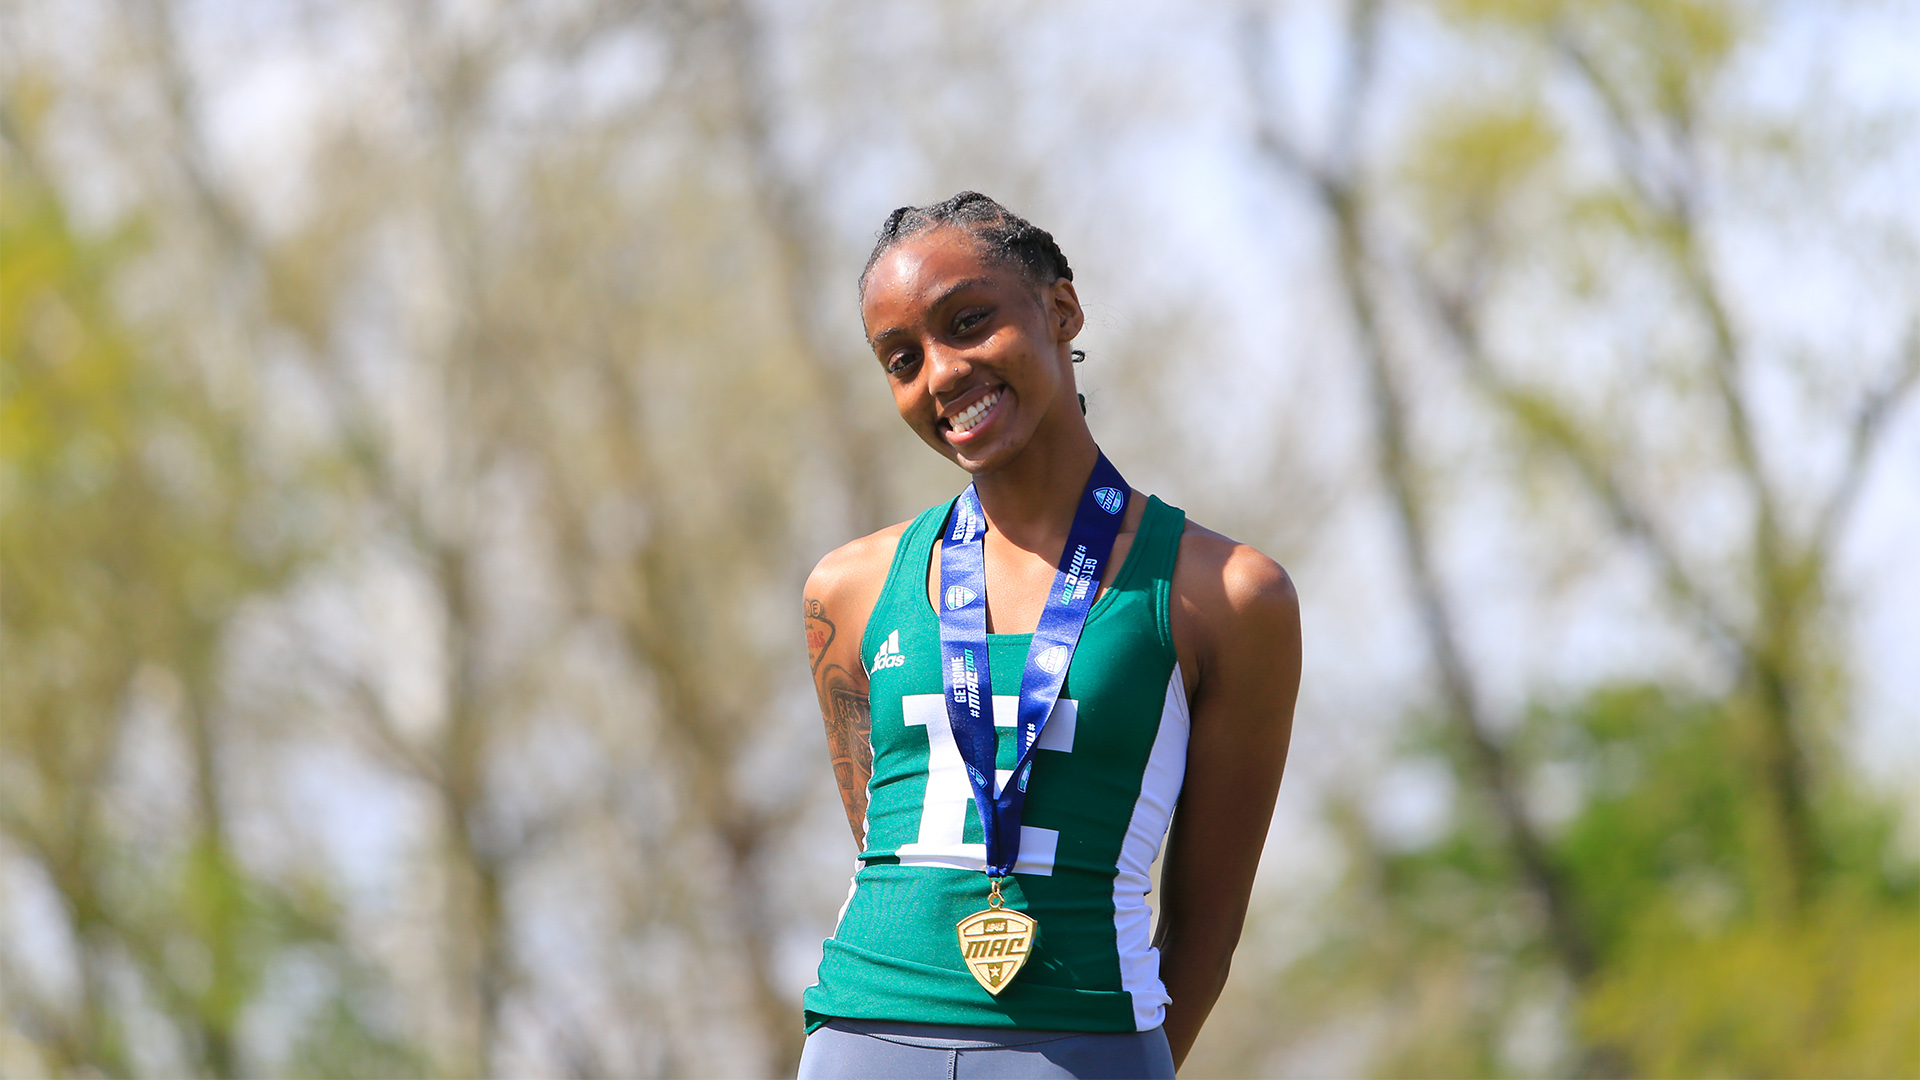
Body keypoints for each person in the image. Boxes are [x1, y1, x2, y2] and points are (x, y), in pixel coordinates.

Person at [798, 192, 1300, 1079]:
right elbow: (880, 844)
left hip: (1085, 1046)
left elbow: (1206, 931)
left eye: (969, 322)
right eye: (902, 358)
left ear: (1061, 310)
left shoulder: (1227, 595)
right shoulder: (848, 588)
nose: (943, 374)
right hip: (861, 1041)